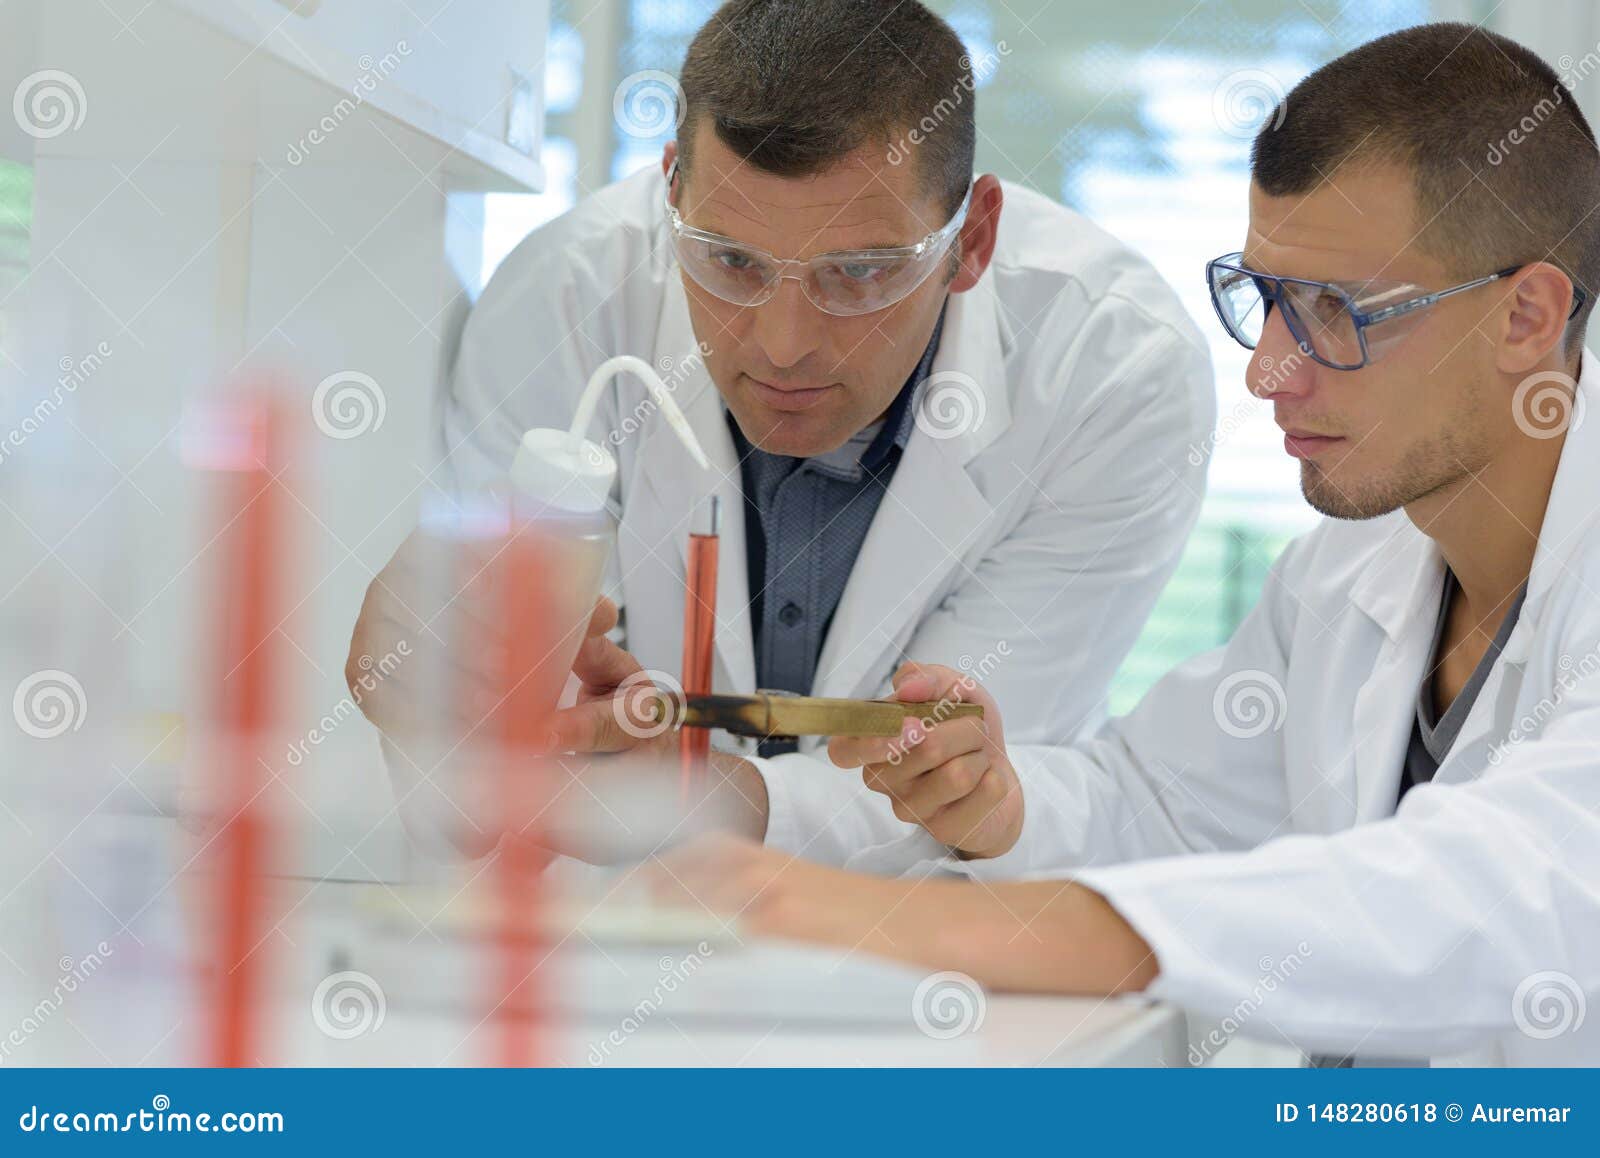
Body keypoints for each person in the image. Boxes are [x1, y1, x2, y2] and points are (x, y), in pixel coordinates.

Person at [650, 23, 1600, 1067]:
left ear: (1526, 317)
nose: (1267, 374)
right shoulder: (1347, 576)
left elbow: (1517, 887)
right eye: (1264, 301)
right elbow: (1163, 807)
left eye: (1335, 312)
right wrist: (1002, 804)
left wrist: (940, 927)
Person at [346, 0, 1213, 859]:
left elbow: (967, 782)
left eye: (859, 273)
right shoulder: (567, 298)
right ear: (669, 193)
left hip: (930, 963)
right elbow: (497, 752)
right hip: (601, 947)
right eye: (731, 261)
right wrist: (442, 702)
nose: (783, 345)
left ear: (971, 239)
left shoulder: (1113, 369)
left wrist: (711, 803)